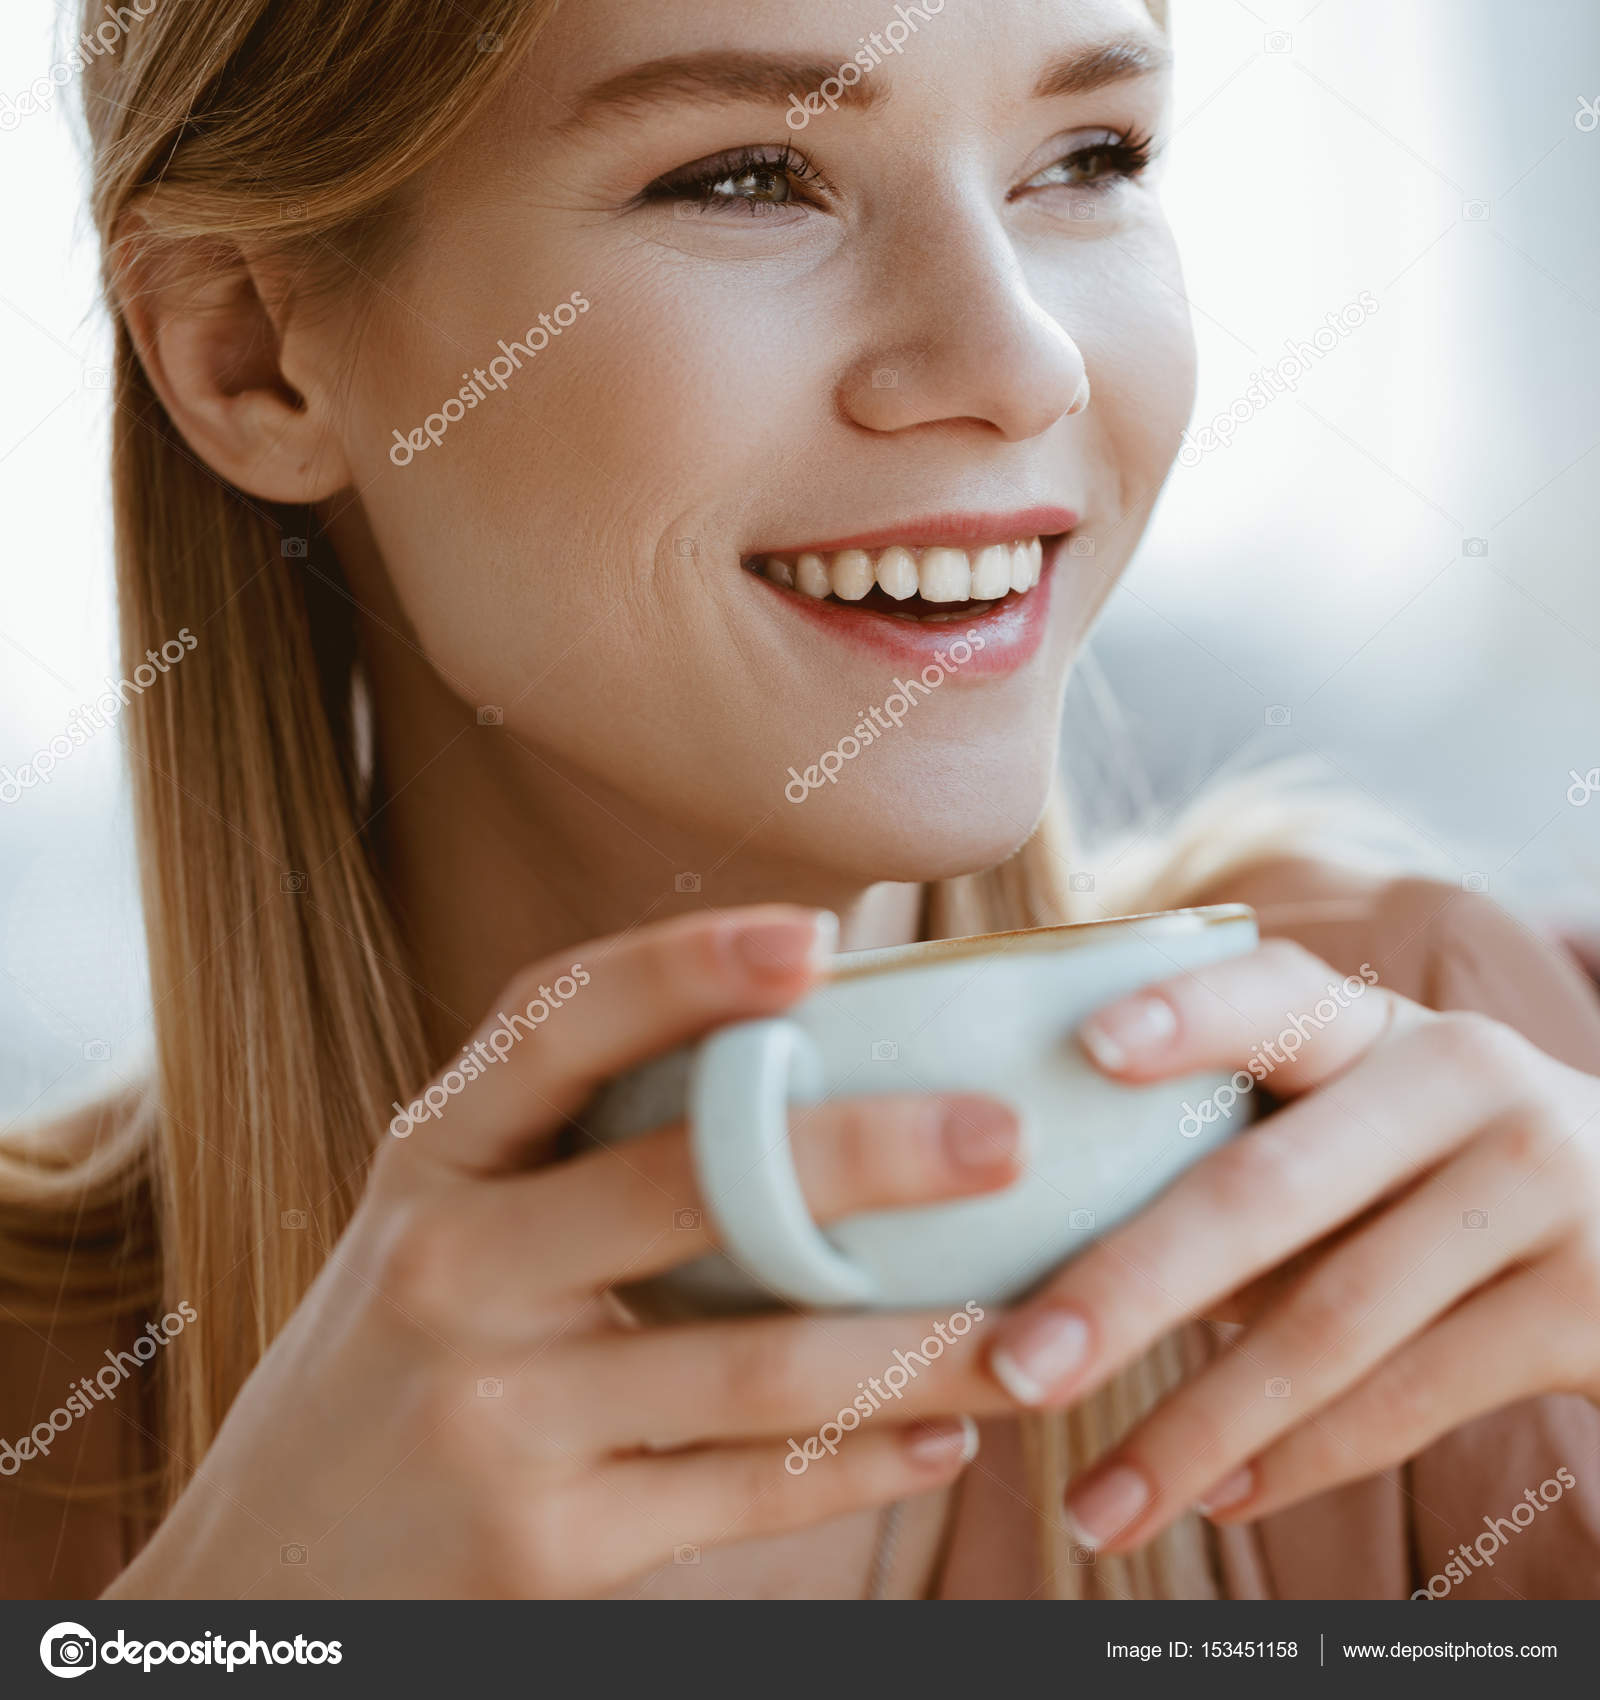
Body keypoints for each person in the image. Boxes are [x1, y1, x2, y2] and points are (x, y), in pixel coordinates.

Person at [3, 0, 1598, 1600]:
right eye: (749, 178)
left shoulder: (1492, 1108)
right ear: (249, 353)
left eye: (1089, 158)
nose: (1018, 362)